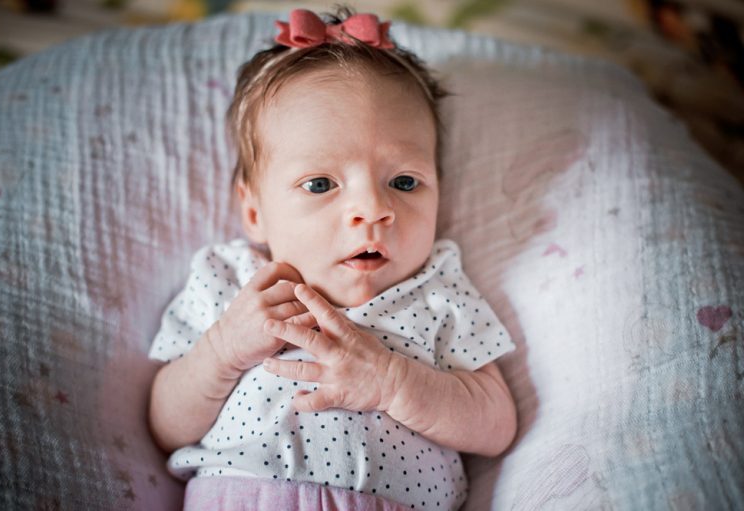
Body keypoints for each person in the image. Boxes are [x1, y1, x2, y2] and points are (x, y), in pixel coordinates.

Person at [148, 7, 517, 511]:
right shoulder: (232, 281)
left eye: (404, 182)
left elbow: (496, 423)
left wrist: (393, 383)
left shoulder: (436, 288)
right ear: (254, 212)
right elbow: (165, 425)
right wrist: (223, 349)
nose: (373, 210)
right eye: (320, 184)